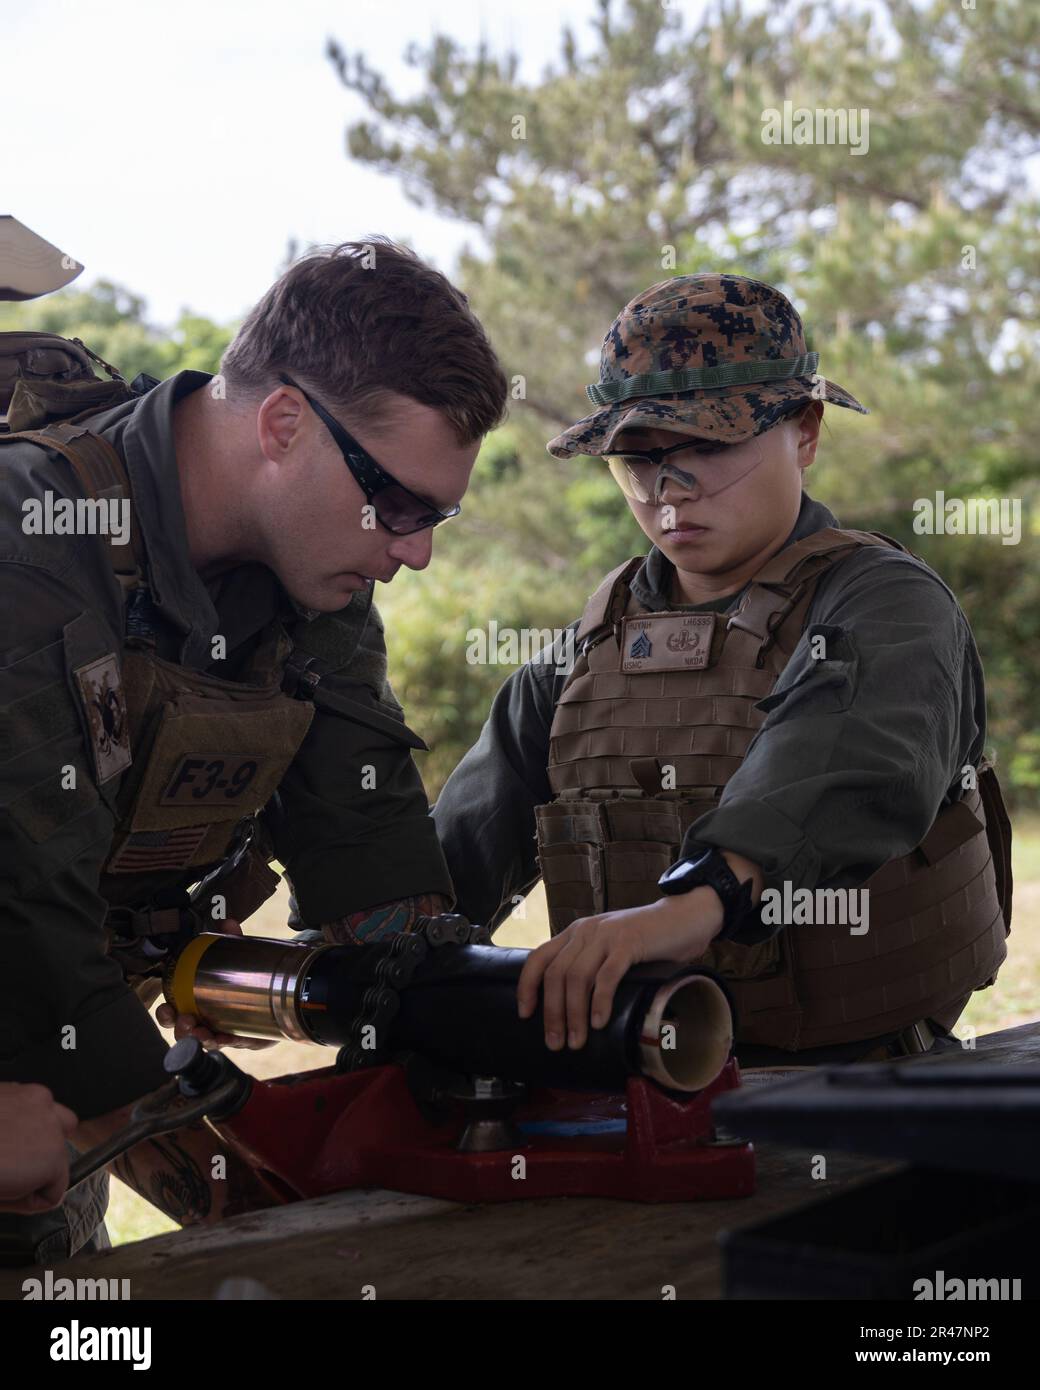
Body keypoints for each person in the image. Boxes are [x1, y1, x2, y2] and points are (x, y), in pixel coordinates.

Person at [0, 237, 508, 1263]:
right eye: (399, 505)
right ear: (282, 424)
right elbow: (24, 897)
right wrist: (200, 1125)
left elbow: (366, 843)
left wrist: (473, 1016)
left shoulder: (317, 577)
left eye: (437, 516)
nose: (415, 550)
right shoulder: (33, 535)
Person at [433, 272, 1011, 1069]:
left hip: (865, 1088)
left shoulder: (888, 604)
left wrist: (701, 900)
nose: (669, 491)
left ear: (805, 432)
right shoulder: (588, 648)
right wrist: (382, 949)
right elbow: (459, 850)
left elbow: (841, 760)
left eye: (707, 446)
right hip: (636, 1084)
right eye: (636, 459)